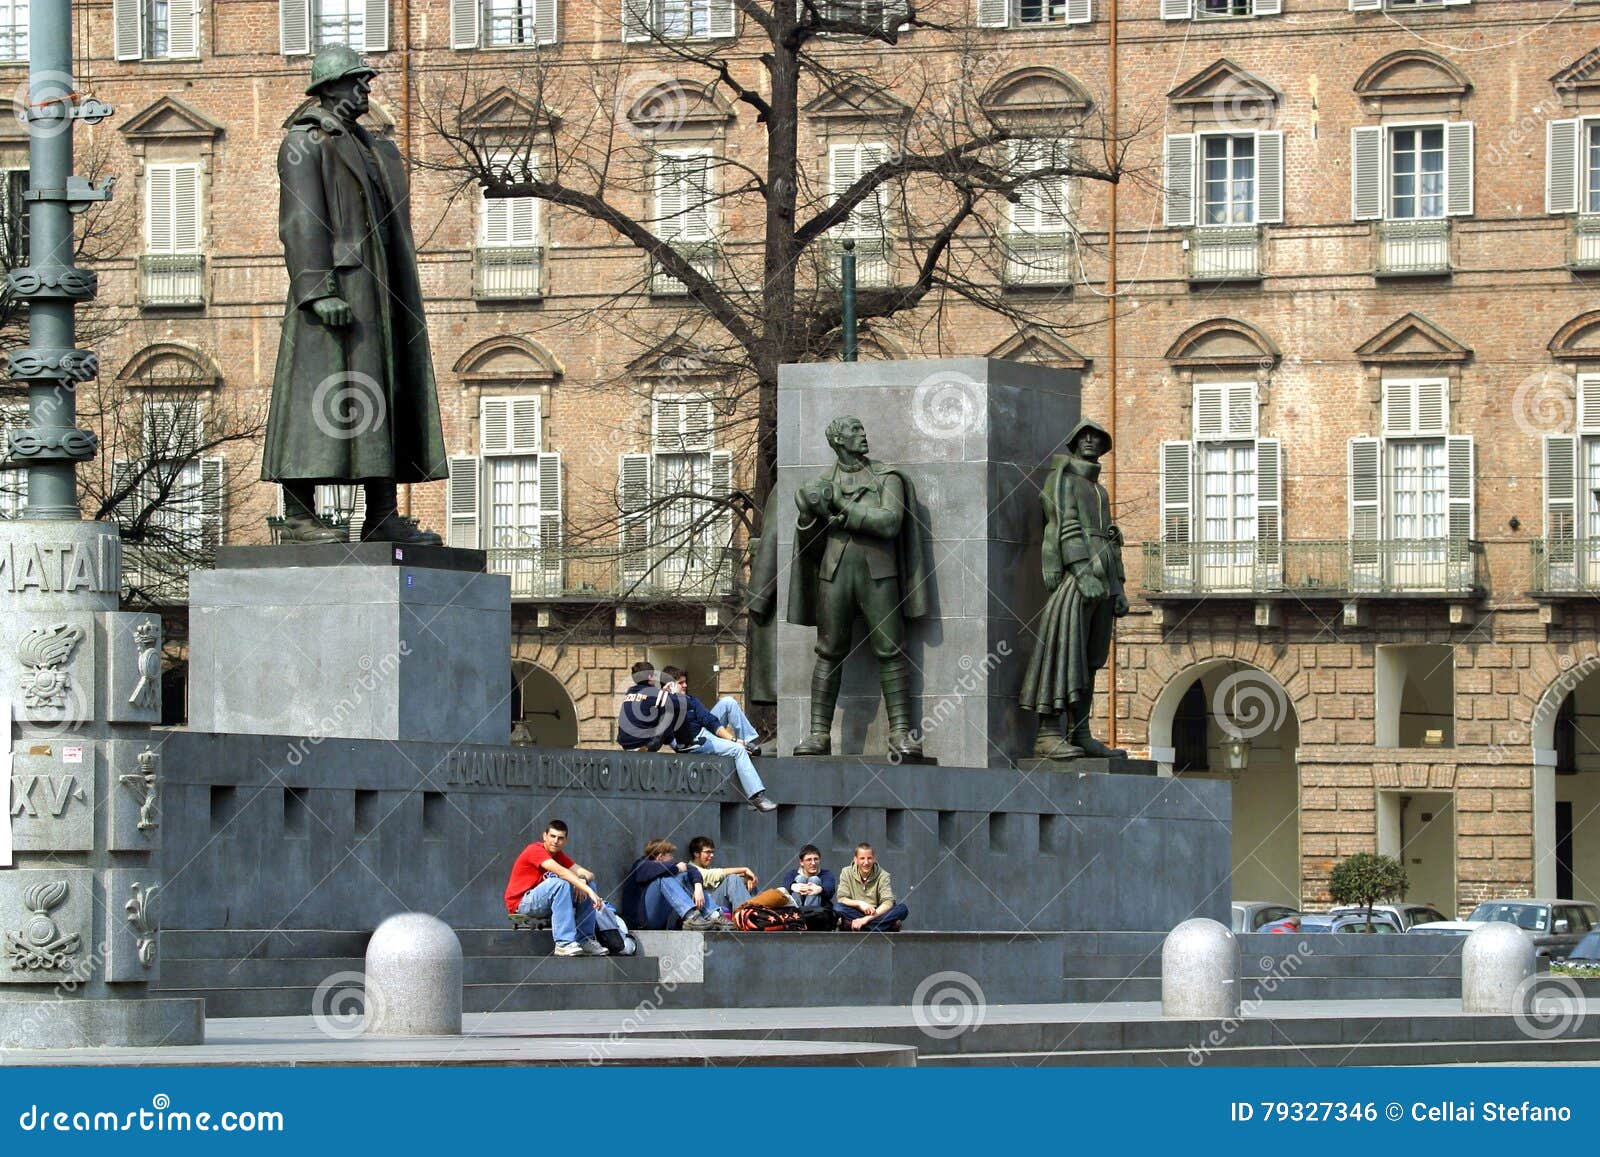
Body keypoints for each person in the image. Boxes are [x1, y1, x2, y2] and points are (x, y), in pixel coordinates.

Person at [264, 44, 447, 546]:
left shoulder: (372, 147)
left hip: (378, 289)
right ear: (328, 88)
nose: (365, 88)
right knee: (314, 399)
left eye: (366, 80)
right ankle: (299, 515)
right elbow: (300, 220)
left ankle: (381, 515)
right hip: (335, 289)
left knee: (381, 393)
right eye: (355, 80)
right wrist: (316, 290)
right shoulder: (305, 143)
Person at [787, 416, 931, 759]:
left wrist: (841, 505)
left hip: (878, 574)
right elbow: (811, 546)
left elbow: (890, 522)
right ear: (837, 440)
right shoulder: (821, 483)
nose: (863, 435)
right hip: (834, 573)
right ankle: (818, 734)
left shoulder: (887, 477)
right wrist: (807, 516)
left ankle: (900, 733)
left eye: (863, 429)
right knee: (828, 651)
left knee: (891, 649)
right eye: (854, 431)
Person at [1019, 418, 1129, 759]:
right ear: (1075, 442)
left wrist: (1119, 587)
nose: (1091, 441)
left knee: (1092, 660)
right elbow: (1065, 525)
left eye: (1097, 438)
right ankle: (1047, 733)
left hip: (1105, 579)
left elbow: (1109, 537)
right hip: (1079, 581)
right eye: (1084, 436)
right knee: (1064, 654)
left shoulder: (1100, 491)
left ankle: (1080, 732)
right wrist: (1081, 572)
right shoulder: (1063, 480)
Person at [658, 666, 778, 814]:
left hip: (704, 732)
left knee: (728, 702)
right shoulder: (660, 705)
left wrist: (733, 738)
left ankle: (748, 743)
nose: (685, 685)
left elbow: (709, 720)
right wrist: (733, 741)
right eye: (681, 683)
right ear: (669, 685)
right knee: (738, 750)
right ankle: (756, 798)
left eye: (685, 682)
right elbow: (663, 734)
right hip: (694, 743)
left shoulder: (690, 700)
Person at [503, 820, 608, 956]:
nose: (556, 841)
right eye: (552, 836)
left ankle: (585, 940)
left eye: (560, 838)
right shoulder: (534, 850)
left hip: (543, 903)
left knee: (589, 884)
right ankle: (563, 944)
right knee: (561, 883)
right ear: (545, 836)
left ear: (565, 841)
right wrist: (588, 890)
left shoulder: (558, 856)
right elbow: (562, 872)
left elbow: (589, 874)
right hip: (522, 903)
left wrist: (583, 881)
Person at [619, 839, 728, 931]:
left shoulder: (666, 867)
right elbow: (659, 868)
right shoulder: (641, 865)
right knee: (663, 878)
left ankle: (715, 915)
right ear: (660, 856)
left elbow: (689, 868)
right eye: (670, 855)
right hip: (642, 922)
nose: (672, 859)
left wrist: (698, 886)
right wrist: (676, 868)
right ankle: (691, 917)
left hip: (658, 920)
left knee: (683, 875)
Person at [833, 843, 909, 932]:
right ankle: (882, 926)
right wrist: (860, 904)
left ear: (874, 859)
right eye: (862, 858)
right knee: (838, 908)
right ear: (855, 860)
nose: (866, 862)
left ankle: (862, 925)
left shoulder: (883, 875)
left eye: (869, 858)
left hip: (877, 913)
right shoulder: (846, 872)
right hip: (856, 912)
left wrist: (866, 919)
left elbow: (888, 901)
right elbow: (842, 898)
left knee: (902, 909)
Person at [616, 661, 684, 751]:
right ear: (649, 677)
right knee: (668, 712)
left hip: (625, 742)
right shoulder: (654, 693)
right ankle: (677, 747)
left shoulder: (630, 691)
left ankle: (674, 744)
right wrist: (673, 693)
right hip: (642, 743)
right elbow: (678, 704)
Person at [686, 836, 758, 915]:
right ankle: (747, 916)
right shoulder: (691, 868)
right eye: (708, 852)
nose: (712, 855)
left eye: (712, 852)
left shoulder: (707, 869)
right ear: (696, 853)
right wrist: (744, 870)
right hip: (707, 908)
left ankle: (759, 913)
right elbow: (714, 875)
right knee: (733, 879)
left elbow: (722, 877)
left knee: (745, 881)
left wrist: (746, 878)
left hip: (718, 905)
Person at [774, 844, 836, 909]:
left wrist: (820, 889)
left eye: (816, 859)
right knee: (800, 878)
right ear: (801, 862)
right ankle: (797, 911)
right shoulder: (792, 874)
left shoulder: (826, 874)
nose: (813, 863)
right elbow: (784, 887)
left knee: (814, 879)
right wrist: (792, 886)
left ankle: (810, 911)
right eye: (809, 860)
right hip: (795, 909)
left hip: (818, 910)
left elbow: (830, 889)